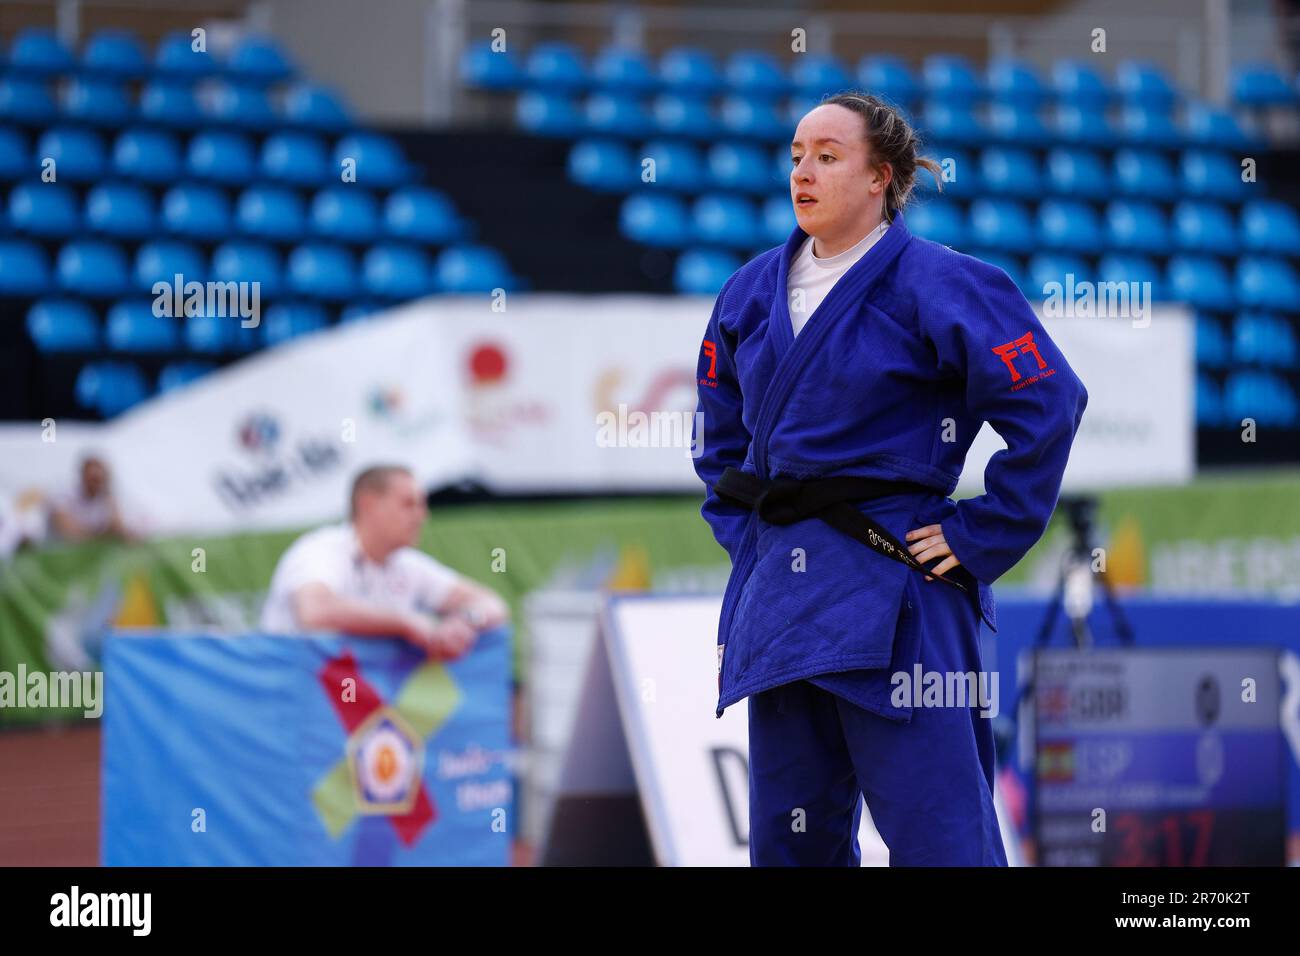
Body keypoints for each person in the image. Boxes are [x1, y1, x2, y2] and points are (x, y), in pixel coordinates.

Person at [692, 92, 1088, 866]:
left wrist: (983, 532)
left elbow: (1050, 402)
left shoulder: (945, 283)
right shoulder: (746, 293)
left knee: (939, 836)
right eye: (797, 155)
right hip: (782, 598)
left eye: (828, 156)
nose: (804, 172)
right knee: (789, 842)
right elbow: (719, 447)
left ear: (881, 176)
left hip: (900, 582)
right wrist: (756, 544)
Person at [259, 464, 508, 659]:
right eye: (408, 504)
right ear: (368, 505)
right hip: (293, 706)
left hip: (352, 707)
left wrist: (464, 620)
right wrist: (407, 623)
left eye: (422, 505)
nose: (422, 516)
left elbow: (494, 605)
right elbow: (315, 613)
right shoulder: (319, 550)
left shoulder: (407, 564)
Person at [48, 455, 132, 542]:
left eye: (100, 479)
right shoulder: (63, 494)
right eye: (93, 479)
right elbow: (67, 531)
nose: (97, 484)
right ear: (83, 476)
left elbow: (119, 529)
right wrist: (103, 534)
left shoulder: (107, 496)